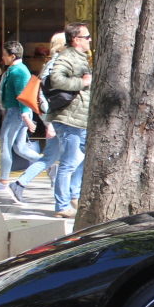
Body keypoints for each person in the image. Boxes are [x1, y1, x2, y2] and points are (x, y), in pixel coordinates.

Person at [7, 32, 66, 204]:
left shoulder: (52, 64)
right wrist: (50, 122)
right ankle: (65, 198)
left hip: (56, 119)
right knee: (72, 158)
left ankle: (20, 183)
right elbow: (44, 97)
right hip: (57, 119)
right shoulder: (55, 65)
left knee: (51, 157)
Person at [41, 23, 92, 218]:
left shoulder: (79, 57)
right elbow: (56, 80)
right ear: (76, 40)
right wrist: (82, 82)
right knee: (68, 164)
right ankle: (62, 205)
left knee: (81, 159)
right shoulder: (67, 57)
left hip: (79, 118)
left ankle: (73, 196)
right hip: (69, 118)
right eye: (86, 37)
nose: (89, 40)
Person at [0, 41, 40, 191]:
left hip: (17, 112)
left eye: (5, 55)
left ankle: (3, 180)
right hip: (19, 112)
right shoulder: (17, 69)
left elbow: (22, 95)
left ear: (12, 56)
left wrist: (25, 116)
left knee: (5, 145)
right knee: (20, 147)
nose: (3, 58)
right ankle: (47, 164)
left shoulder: (18, 71)